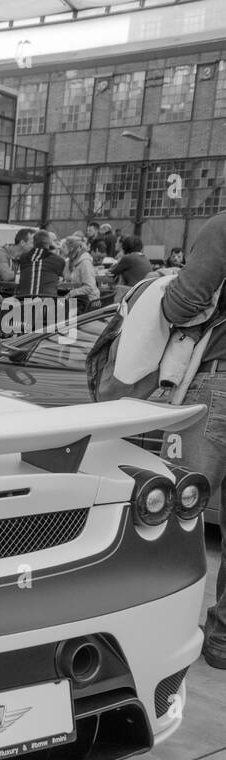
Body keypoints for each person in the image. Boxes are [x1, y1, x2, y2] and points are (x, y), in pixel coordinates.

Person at [158, 211, 226, 668]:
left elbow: (184, 303)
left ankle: (162, 627)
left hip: (218, 386)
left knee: (175, 510)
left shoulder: (223, 226)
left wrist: (164, 294)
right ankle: (223, 640)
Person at [16, 230, 65, 298]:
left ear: (34, 243)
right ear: (49, 243)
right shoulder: (59, 260)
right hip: (48, 303)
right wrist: (56, 248)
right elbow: (63, 278)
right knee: (72, 304)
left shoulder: (23, 258)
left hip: (24, 302)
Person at [61, 235, 100, 309]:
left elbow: (89, 287)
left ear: (71, 249)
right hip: (78, 298)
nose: (61, 249)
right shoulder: (69, 261)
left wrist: (71, 293)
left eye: (63, 247)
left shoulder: (85, 263)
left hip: (90, 301)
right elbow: (68, 278)